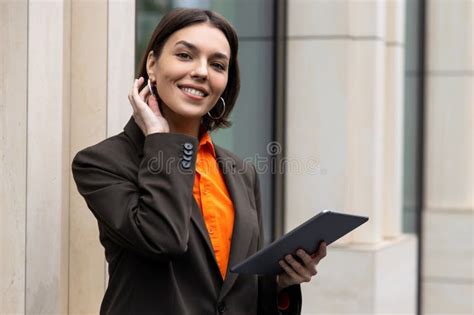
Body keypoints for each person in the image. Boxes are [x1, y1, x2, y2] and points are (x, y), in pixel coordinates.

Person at [72, 7, 326, 315]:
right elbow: (162, 238)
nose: (202, 72)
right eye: (184, 56)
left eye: (217, 64)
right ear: (152, 64)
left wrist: (280, 283)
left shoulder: (240, 172)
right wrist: (161, 140)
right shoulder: (101, 163)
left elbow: (235, 289)